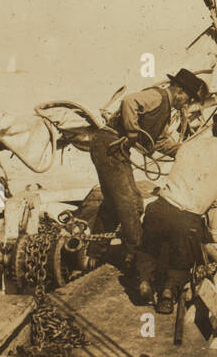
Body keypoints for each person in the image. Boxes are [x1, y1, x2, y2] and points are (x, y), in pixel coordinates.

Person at [87, 68, 210, 266]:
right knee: (132, 202)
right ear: (179, 90)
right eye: (188, 98)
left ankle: (94, 255)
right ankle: (136, 257)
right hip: (109, 145)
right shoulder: (158, 96)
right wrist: (132, 132)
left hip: (112, 148)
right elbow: (129, 102)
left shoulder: (166, 112)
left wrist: (188, 153)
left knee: (112, 204)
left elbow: (160, 142)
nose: (187, 103)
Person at [133, 107, 217, 312]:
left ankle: (144, 280)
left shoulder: (189, 145)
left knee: (148, 249)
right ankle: (168, 292)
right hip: (186, 219)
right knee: (182, 261)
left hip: (159, 208)